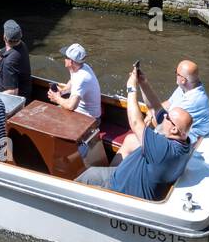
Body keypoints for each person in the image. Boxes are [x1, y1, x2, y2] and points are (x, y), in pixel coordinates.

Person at [74, 66, 193, 200]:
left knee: (82, 180)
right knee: (128, 142)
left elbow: (135, 122)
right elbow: (156, 109)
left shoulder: (163, 149)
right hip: (121, 175)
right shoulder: (183, 143)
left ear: (174, 129)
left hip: (120, 188)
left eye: (168, 118)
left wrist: (131, 88)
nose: (165, 117)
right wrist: (143, 83)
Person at [128, 60, 209, 143]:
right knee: (153, 116)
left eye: (176, 72)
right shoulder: (187, 87)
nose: (175, 74)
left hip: (187, 139)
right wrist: (143, 82)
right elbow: (169, 103)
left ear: (183, 80)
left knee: (130, 140)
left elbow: (164, 126)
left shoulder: (193, 101)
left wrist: (131, 87)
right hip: (175, 126)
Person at [47, 43, 103, 119]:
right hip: (79, 112)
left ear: (71, 62)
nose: (64, 59)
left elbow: (71, 106)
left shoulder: (81, 78)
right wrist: (63, 91)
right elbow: (72, 80)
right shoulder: (80, 67)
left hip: (88, 119)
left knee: (50, 117)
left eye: (66, 57)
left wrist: (56, 98)